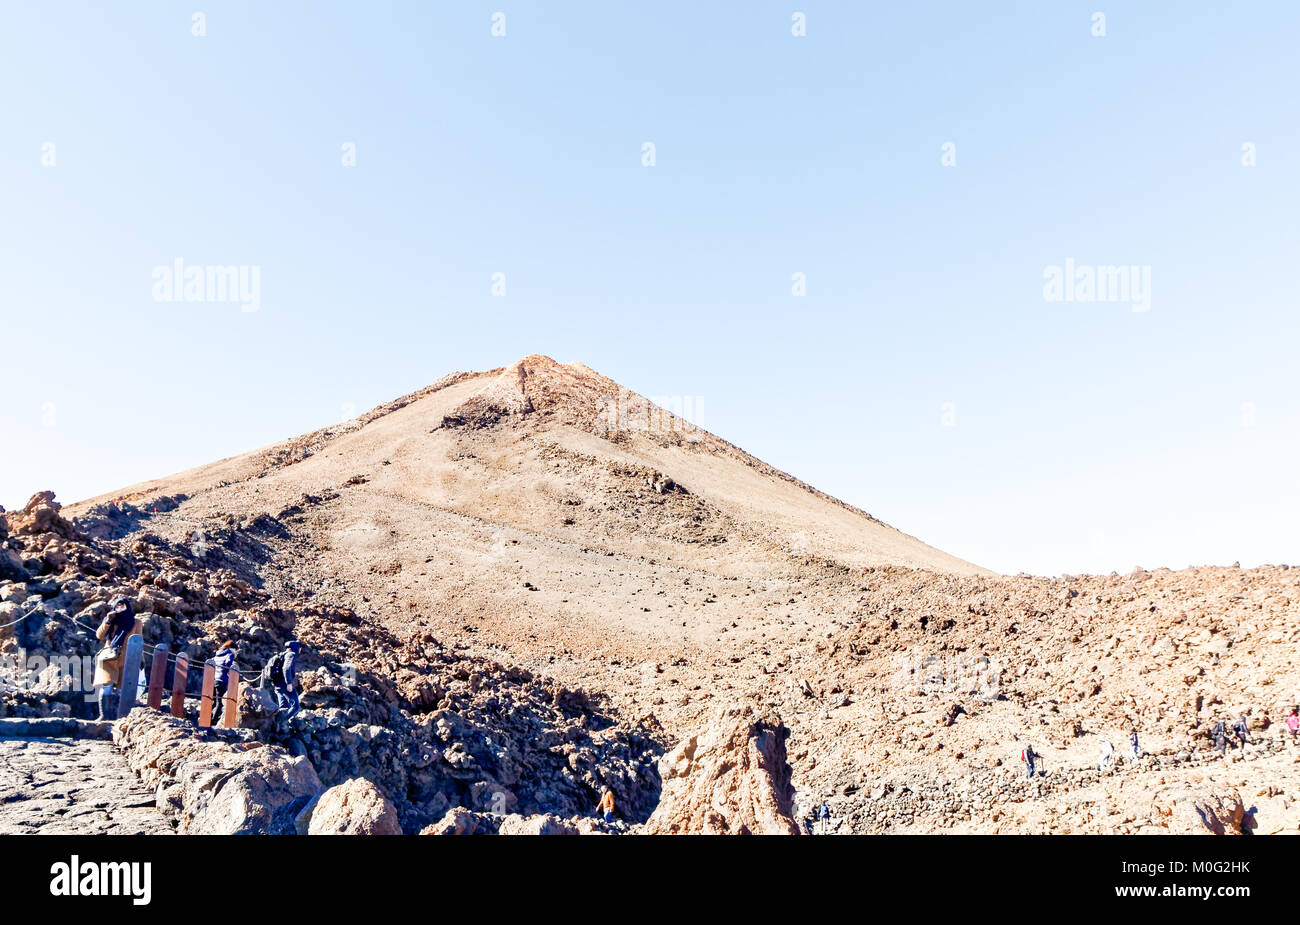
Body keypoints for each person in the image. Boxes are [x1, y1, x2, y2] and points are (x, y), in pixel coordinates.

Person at [92, 597, 142, 720]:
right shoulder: (111, 620)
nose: (120, 608)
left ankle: (121, 717)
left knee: (123, 690)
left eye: (122, 606)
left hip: (126, 659)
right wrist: (107, 621)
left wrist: (141, 660)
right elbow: (99, 635)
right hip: (109, 658)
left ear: (127, 607)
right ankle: (103, 716)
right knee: (106, 687)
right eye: (117, 606)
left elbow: (139, 640)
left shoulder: (136, 622)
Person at [261, 640, 301, 719]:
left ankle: (277, 724)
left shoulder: (282, 654)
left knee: (283, 707)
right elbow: (286, 668)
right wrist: (289, 683)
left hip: (276, 683)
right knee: (295, 706)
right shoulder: (291, 654)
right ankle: (283, 722)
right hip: (284, 683)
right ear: (296, 648)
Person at [209, 641, 238, 725]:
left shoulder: (218, 654)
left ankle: (208, 716)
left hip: (214, 680)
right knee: (220, 702)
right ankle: (214, 721)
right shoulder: (230, 654)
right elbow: (228, 665)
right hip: (223, 680)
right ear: (233, 649)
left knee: (214, 701)